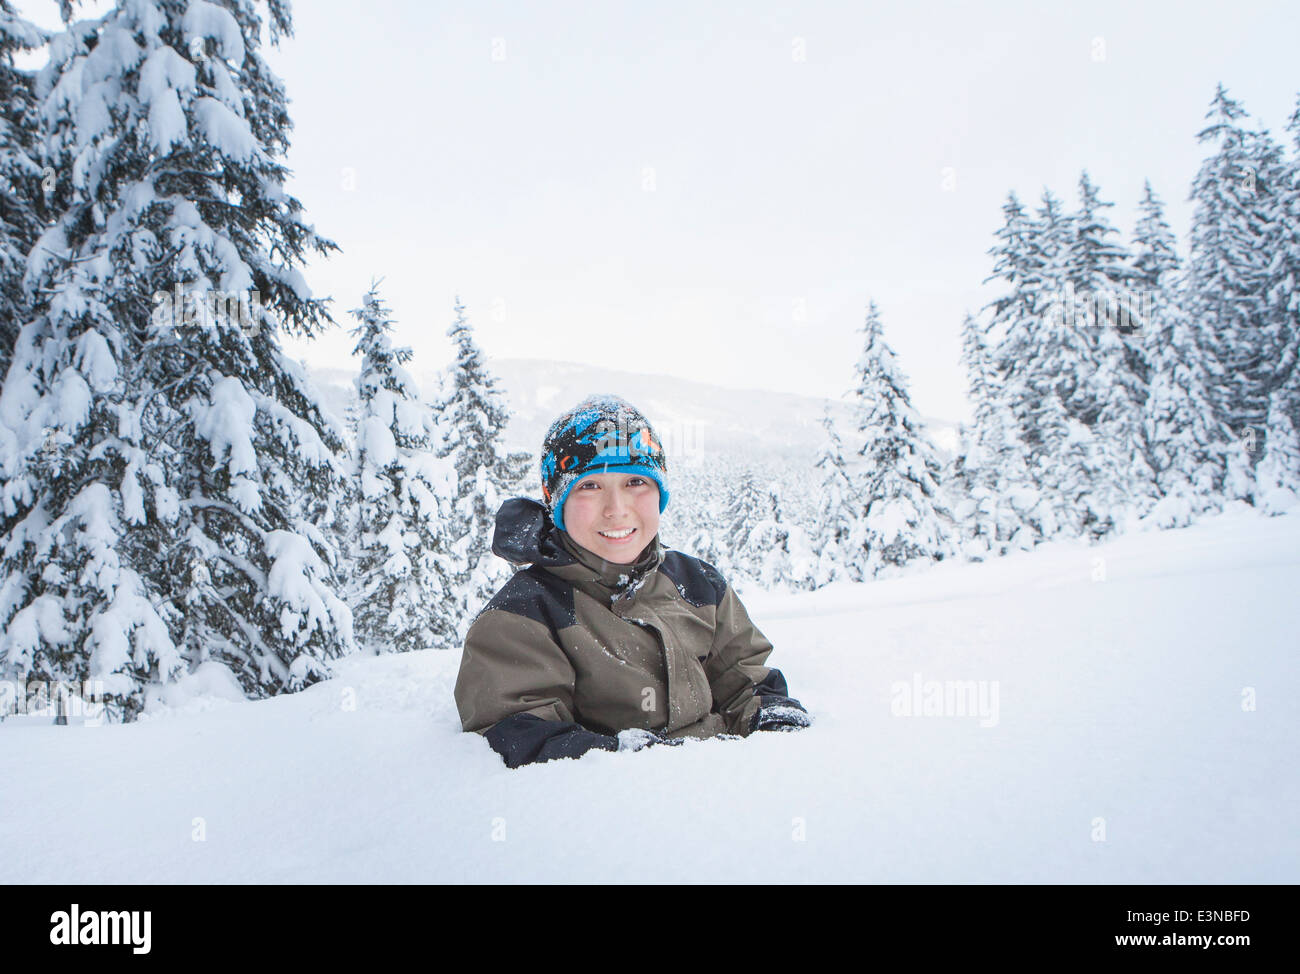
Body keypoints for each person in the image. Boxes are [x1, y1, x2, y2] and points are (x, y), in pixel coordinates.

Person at [453, 394, 811, 769]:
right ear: (556, 502)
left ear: (660, 493)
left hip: (721, 789)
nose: (616, 508)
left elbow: (745, 678)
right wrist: (631, 763)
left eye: (636, 481)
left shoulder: (698, 584)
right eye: (589, 486)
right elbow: (516, 734)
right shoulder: (526, 613)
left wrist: (772, 720)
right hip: (622, 809)